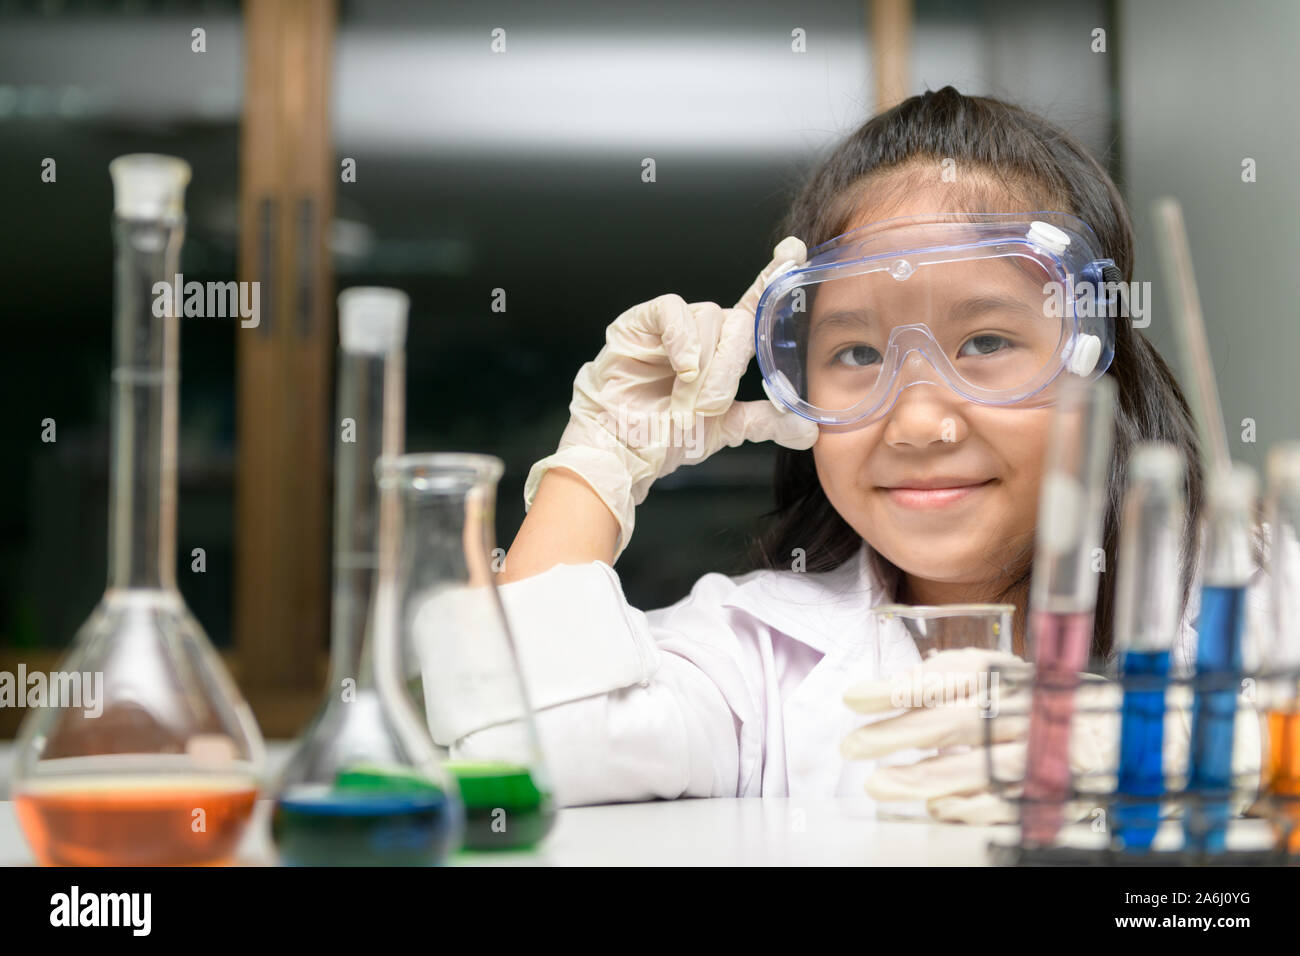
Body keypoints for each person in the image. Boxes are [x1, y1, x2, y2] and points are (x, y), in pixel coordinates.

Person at [470, 87, 1264, 820]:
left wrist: (1176, 745)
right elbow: (512, 749)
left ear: (1095, 357)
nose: (918, 422)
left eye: (986, 341)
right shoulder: (760, 654)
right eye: (855, 354)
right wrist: (601, 457)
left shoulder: (1257, 589)